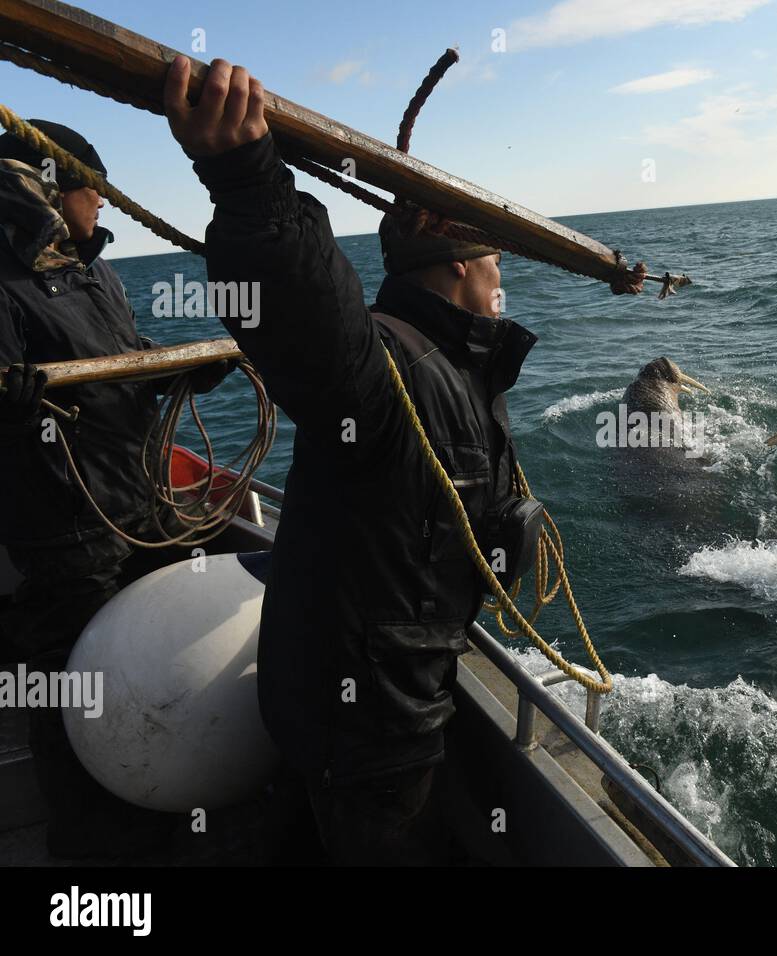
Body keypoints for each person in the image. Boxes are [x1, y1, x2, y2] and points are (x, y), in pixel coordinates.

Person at [162, 56, 644, 864]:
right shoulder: (386, 370)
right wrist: (246, 178)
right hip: (366, 721)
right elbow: (305, 322)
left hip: (383, 696)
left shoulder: (456, 363)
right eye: (496, 260)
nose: (502, 277)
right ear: (458, 264)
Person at [0, 119, 231, 857]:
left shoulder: (94, 273)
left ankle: (168, 816)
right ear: (42, 186)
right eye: (86, 185)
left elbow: (127, 365)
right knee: (76, 703)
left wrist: (196, 364)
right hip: (64, 535)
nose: (100, 199)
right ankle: (91, 857)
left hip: (138, 513)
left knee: (154, 679)